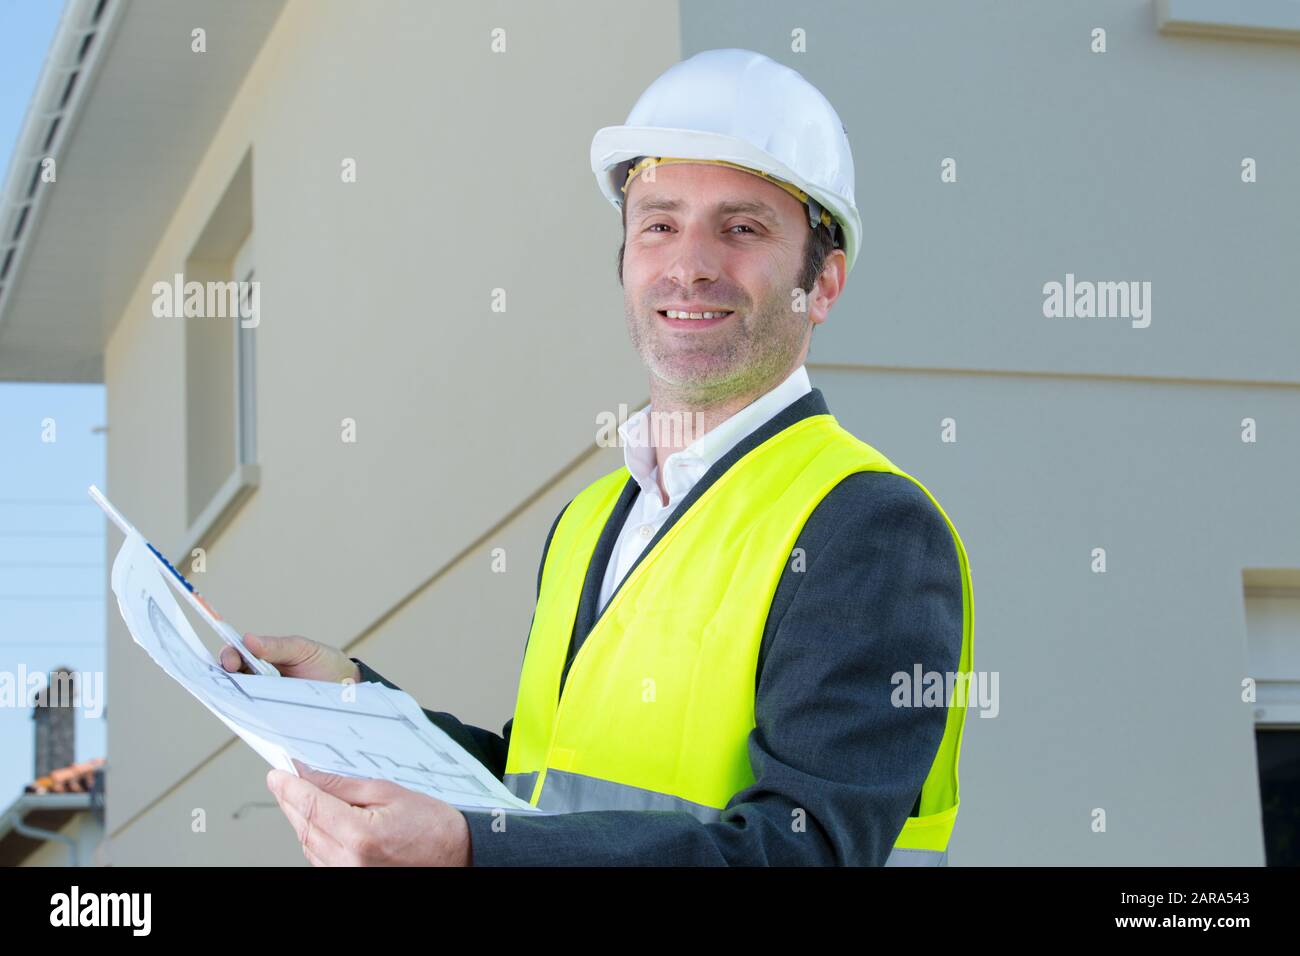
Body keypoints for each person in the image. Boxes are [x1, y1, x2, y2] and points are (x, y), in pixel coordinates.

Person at [224, 48, 974, 866]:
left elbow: (801, 851)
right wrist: (352, 705)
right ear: (624, 261)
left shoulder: (868, 526)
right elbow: (537, 791)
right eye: (658, 224)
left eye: (743, 227)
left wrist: (472, 855)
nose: (689, 265)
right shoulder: (589, 523)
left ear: (822, 284)